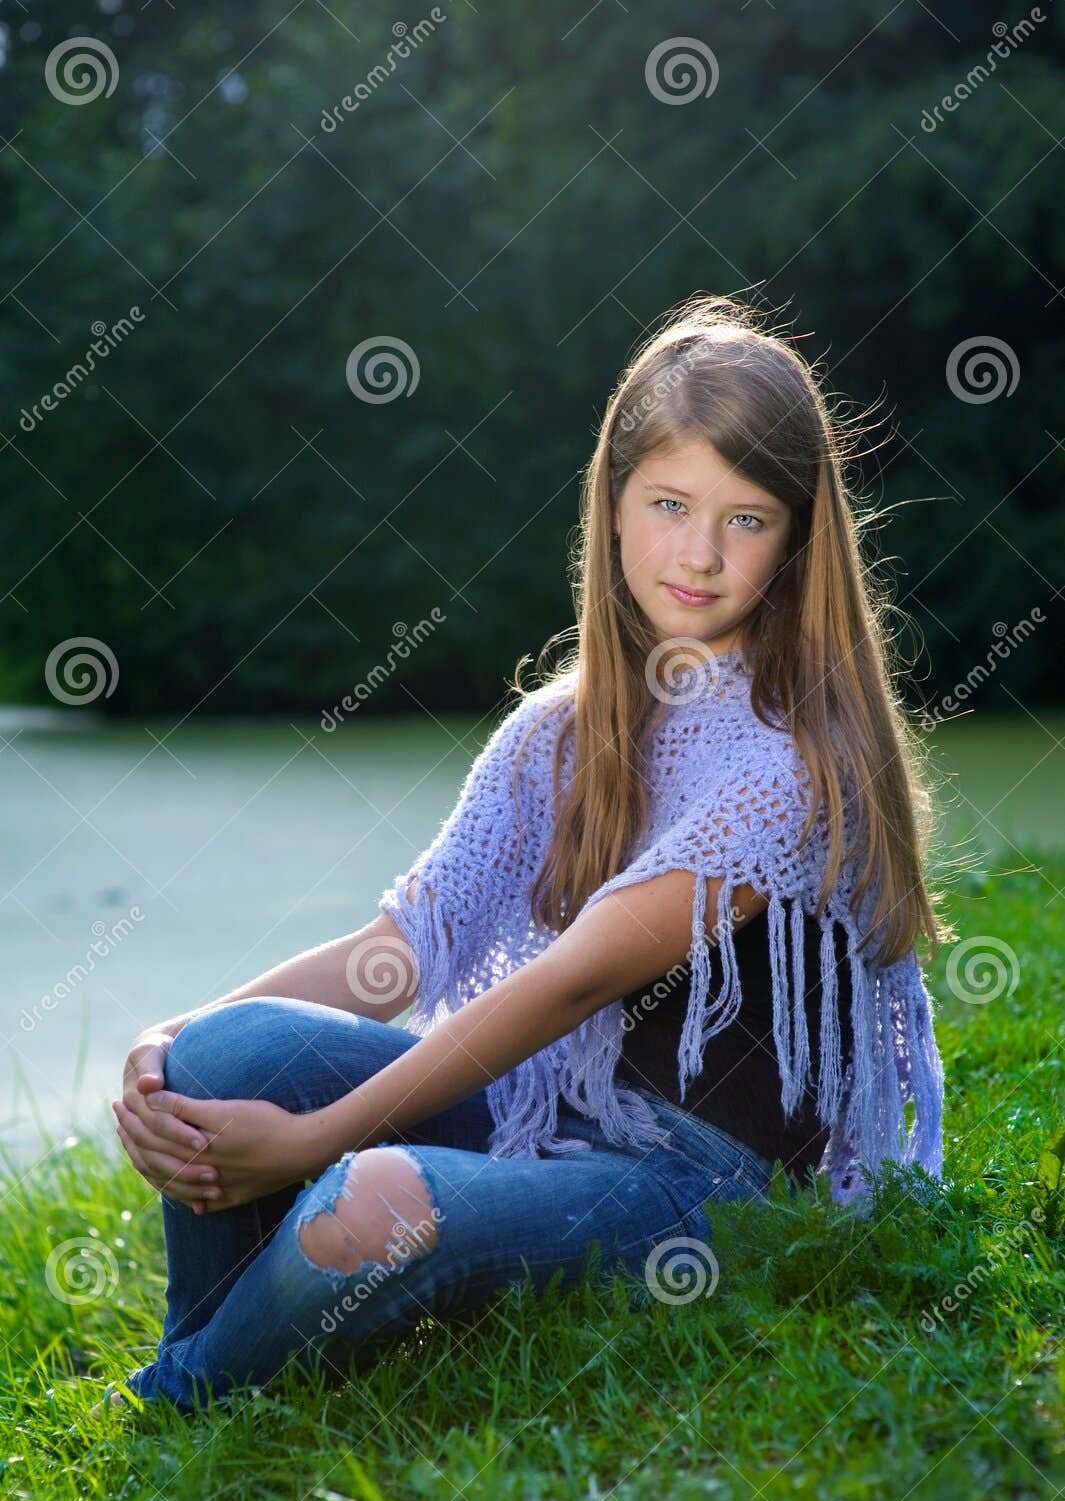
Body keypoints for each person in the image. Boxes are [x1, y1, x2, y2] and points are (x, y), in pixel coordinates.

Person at [105, 293, 949, 1415]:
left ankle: (179, 1396)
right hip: (545, 1114)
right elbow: (401, 946)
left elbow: (572, 976)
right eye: (669, 503)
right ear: (611, 506)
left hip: (701, 1185)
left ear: (796, 540)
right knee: (227, 1051)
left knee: (373, 1198)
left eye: (747, 519)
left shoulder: (791, 762)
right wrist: (170, 1037)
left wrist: (307, 1139)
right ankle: (209, 1350)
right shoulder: (560, 728)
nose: (700, 554)